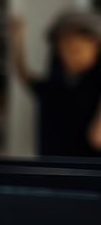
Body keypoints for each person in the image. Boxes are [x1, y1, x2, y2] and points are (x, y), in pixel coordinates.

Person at [11, 11, 101, 156]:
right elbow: (24, 75)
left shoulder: (94, 87)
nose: (68, 55)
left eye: (76, 49)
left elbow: (96, 138)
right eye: (62, 49)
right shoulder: (55, 88)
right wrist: (18, 37)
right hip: (53, 166)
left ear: (96, 47)